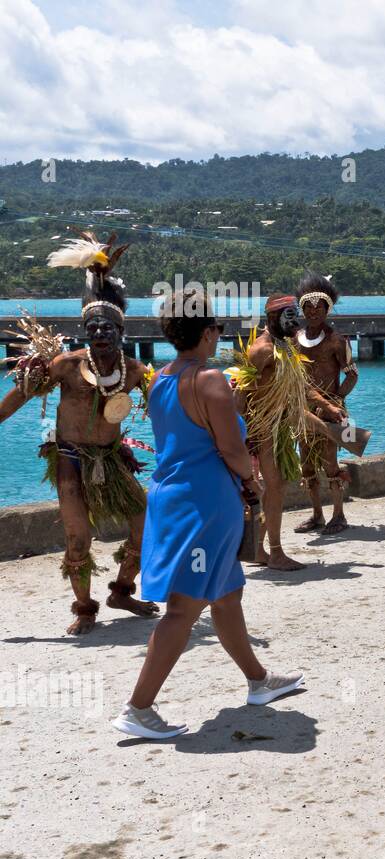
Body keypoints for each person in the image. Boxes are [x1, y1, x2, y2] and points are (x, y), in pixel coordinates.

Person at [112, 289, 303, 739]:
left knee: (226, 592)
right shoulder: (210, 379)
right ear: (208, 331)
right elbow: (231, 448)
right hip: (205, 503)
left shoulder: (160, 379)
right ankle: (138, 707)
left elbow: (187, 435)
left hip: (170, 496)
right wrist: (252, 481)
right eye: (217, 328)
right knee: (183, 608)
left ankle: (258, 680)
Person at [0, 233, 158, 634]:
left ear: (121, 332)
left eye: (108, 327)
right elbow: (21, 396)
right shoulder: (66, 365)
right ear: (85, 330)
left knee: (144, 523)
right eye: (94, 326)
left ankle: (122, 590)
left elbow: (167, 408)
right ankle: (84, 608)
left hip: (111, 457)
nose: (101, 333)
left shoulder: (136, 371)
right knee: (77, 536)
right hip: (70, 458)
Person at [231, 294, 344, 571]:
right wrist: (243, 436)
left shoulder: (287, 347)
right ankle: (275, 552)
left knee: (276, 487)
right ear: (272, 319)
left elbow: (301, 386)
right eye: (289, 316)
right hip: (262, 428)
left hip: (281, 420)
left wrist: (328, 406)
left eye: (296, 315)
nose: (297, 321)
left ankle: (259, 549)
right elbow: (240, 394)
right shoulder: (262, 350)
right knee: (274, 487)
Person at [293, 271, 357, 535]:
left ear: (328, 309)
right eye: (308, 307)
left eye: (319, 307)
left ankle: (339, 515)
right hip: (303, 411)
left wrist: (337, 400)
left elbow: (352, 374)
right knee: (306, 463)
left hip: (329, 412)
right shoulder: (294, 340)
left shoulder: (337, 340)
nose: (313, 312)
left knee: (330, 462)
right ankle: (317, 514)